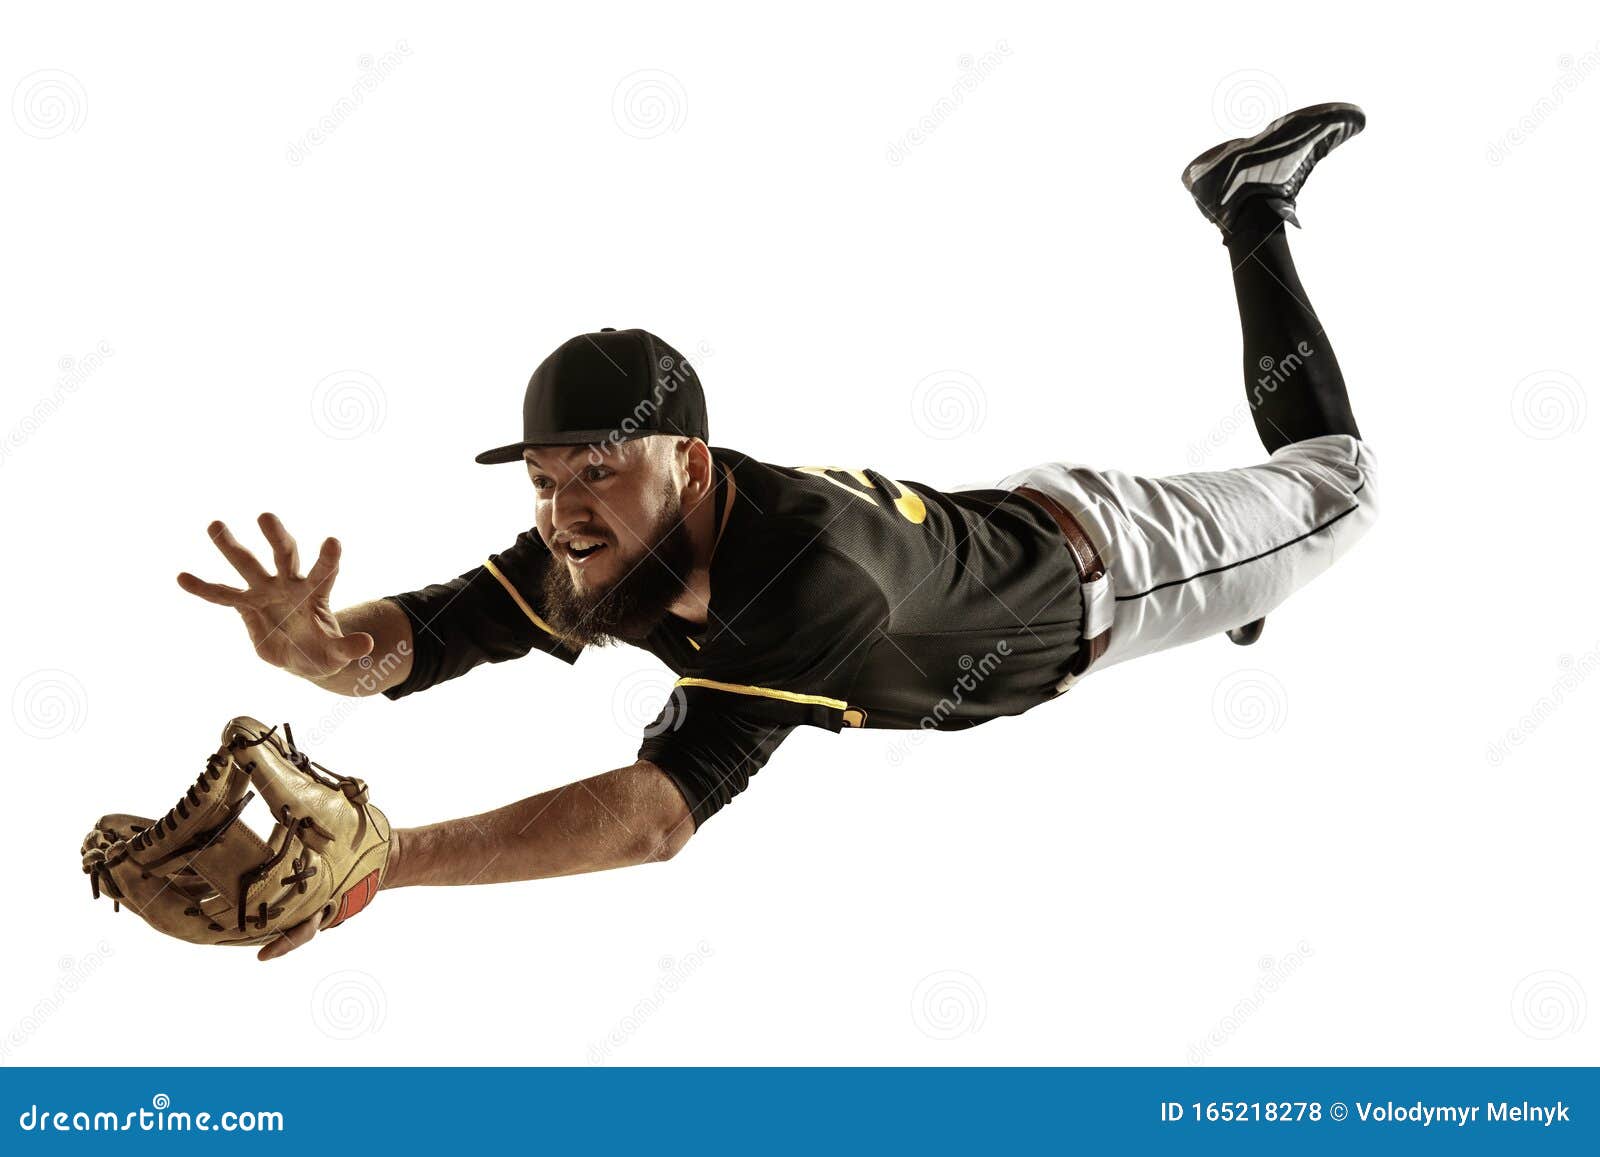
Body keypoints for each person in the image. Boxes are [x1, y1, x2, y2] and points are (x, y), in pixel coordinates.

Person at [177, 103, 1377, 960]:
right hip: (997, 546)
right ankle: (1259, 586)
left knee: (1337, 482)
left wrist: (388, 857)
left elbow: (655, 816)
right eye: (544, 478)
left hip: (1120, 572)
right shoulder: (601, 540)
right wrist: (330, 652)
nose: (561, 509)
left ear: (687, 460)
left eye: (595, 469)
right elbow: (440, 631)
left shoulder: (801, 581)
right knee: (1274, 542)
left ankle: (1247, 204)